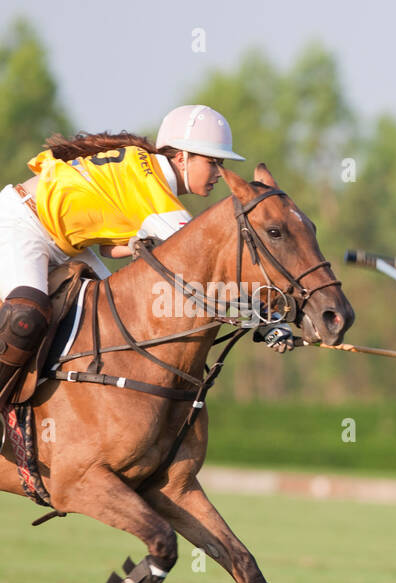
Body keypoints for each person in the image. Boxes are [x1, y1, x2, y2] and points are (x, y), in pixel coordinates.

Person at [0, 105, 282, 412]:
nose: (219, 173)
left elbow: (109, 246)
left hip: (67, 243)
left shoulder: (146, 175)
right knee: (25, 317)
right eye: (212, 162)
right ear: (182, 157)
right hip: (22, 223)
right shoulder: (153, 190)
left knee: (119, 318)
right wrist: (264, 317)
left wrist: (134, 243)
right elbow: (204, 268)